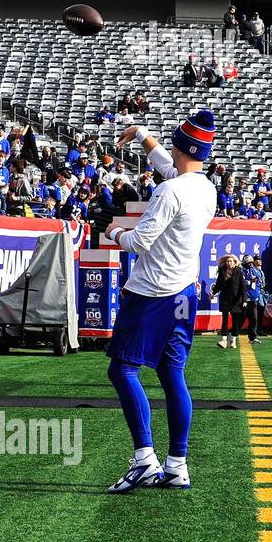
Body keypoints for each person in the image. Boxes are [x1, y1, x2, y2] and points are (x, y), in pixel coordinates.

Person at [104, 111, 218, 493]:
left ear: (181, 145)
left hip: (153, 292)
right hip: (185, 293)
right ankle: (177, 464)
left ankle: (144, 460)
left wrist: (114, 231)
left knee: (122, 370)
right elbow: (173, 171)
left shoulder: (170, 191)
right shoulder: (206, 188)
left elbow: (140, 243)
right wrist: (142, 136)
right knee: (173, 375)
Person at [241, 255, 267, 344]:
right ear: (244, 263)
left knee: (254, 319)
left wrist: (256, 282)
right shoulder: (241, 271)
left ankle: (253, 337)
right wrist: (250, 281)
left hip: (253, 298)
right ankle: (233, 335)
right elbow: (241, 282)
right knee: (241, 319)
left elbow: (259, 281)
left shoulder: (255, 271)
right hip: (244, 299)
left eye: (251, 263)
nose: (250, 265)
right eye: (248, 263)